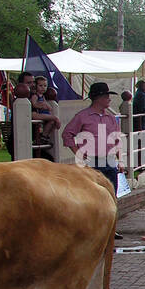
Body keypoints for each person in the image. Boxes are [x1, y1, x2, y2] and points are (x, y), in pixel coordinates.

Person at [61, 82, 122, 221]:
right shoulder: (83, 116)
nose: (109, 99)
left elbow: (117, 140)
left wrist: (120, 159)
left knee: (112, 194)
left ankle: (110, 225)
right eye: (106, 96)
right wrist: (79, 153)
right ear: (98, 98)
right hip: (92, 160)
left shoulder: (111, 118)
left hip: (109, 159)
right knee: (93, 195)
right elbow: (67, 134)